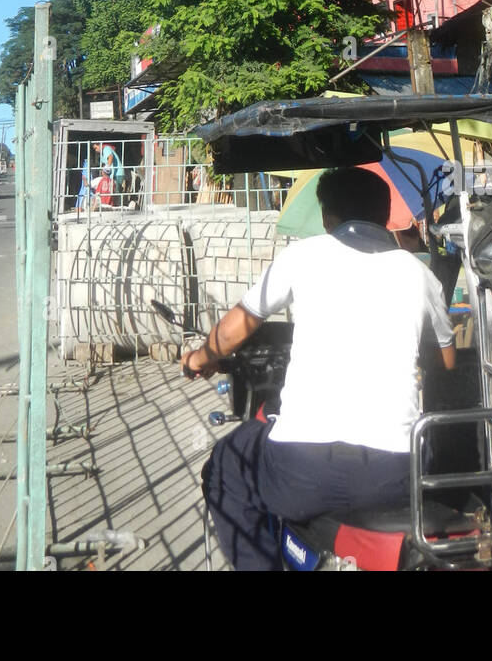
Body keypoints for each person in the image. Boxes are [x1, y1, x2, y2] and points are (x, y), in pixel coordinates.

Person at [182, 166, 456, 571]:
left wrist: (198, 359)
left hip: (301, 473)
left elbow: (233, 329)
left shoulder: (303, 255)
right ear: (385, 216)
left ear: (328, 217)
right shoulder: (420, 274)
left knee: (226, 465)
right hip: (396, 475)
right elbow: (447, 361)